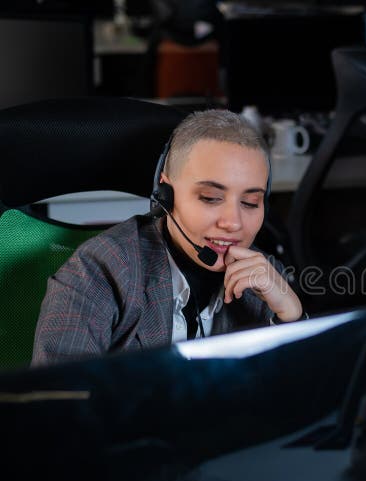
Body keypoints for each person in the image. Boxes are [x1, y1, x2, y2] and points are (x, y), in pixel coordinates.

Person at [32, 109, 304, 366]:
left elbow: (304, 398)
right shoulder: (100, 272)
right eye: (211, 198)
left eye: (250, 202)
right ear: (166, 195)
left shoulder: (262, 279)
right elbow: (59, 403)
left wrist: (290, 314)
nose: (232, 222)